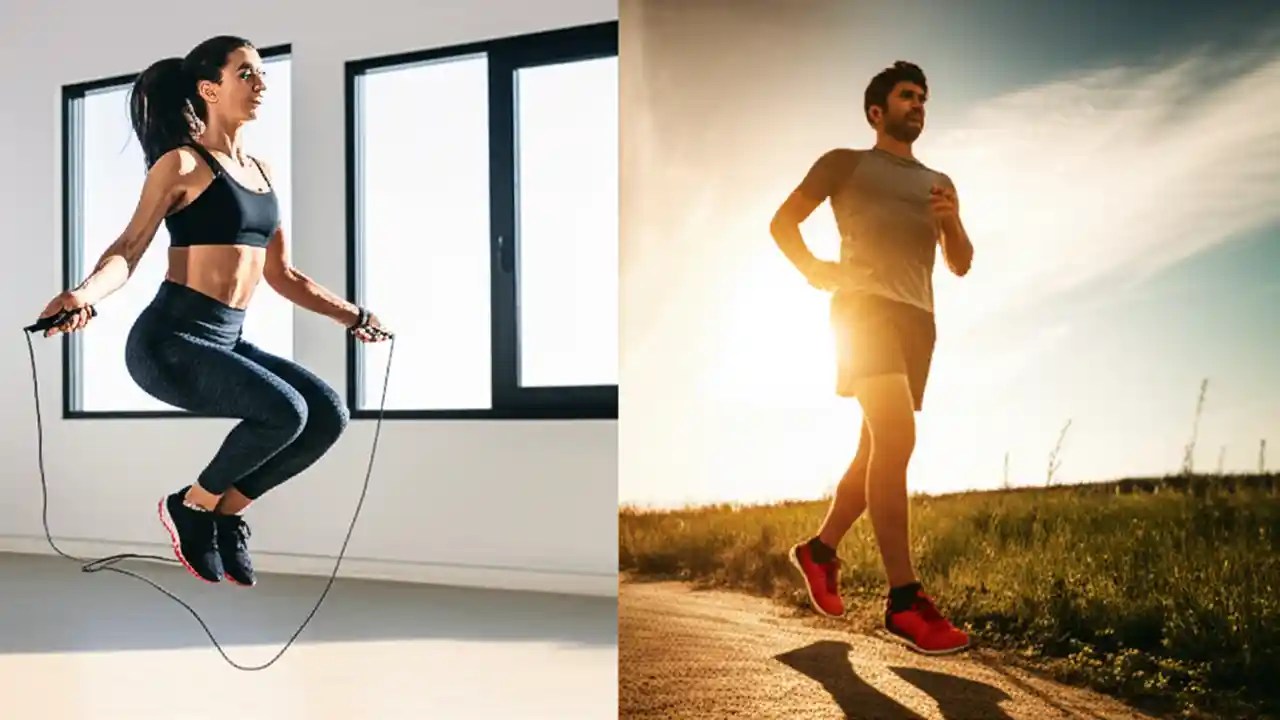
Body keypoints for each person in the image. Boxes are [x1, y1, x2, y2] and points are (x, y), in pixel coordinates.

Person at [35, 36, 391, 587]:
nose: (261, 84)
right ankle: (192, 507)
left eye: (261, 74)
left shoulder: (263, 174)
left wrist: (356, 316)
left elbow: (283, 276)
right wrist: (83, 296)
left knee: (326, 415)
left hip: (227, 339)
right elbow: (128, 250)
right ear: (209, 89)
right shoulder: (181, 164)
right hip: (169, 342)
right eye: (246, 74)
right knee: (285, 412)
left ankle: (225, 513)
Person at [769, 61, 974, 654]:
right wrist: (815, 270)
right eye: (907, 96)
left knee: (875, 451)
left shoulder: (939, 181)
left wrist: (952, 221)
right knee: (897, 438)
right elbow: (783, 222)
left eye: (924, 98)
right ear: (877, 112)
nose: (918, 105)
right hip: (863, 311)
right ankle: (905, 602)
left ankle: (820, 551)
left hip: (918, 321)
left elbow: (959, 262)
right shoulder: (844, 163)